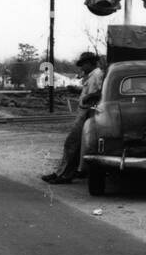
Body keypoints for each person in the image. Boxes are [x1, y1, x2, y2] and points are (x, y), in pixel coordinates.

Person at [41, 51, 104, 184]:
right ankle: (63, 173)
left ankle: (64, 175)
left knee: (72, 144)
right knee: (75, 146)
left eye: (83, 65)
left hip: (88, 113)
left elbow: (97, 94)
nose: (81, 68)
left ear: (90, 63)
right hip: (85, 112)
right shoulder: (92, 76)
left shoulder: (97, 75)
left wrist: (88, 98)